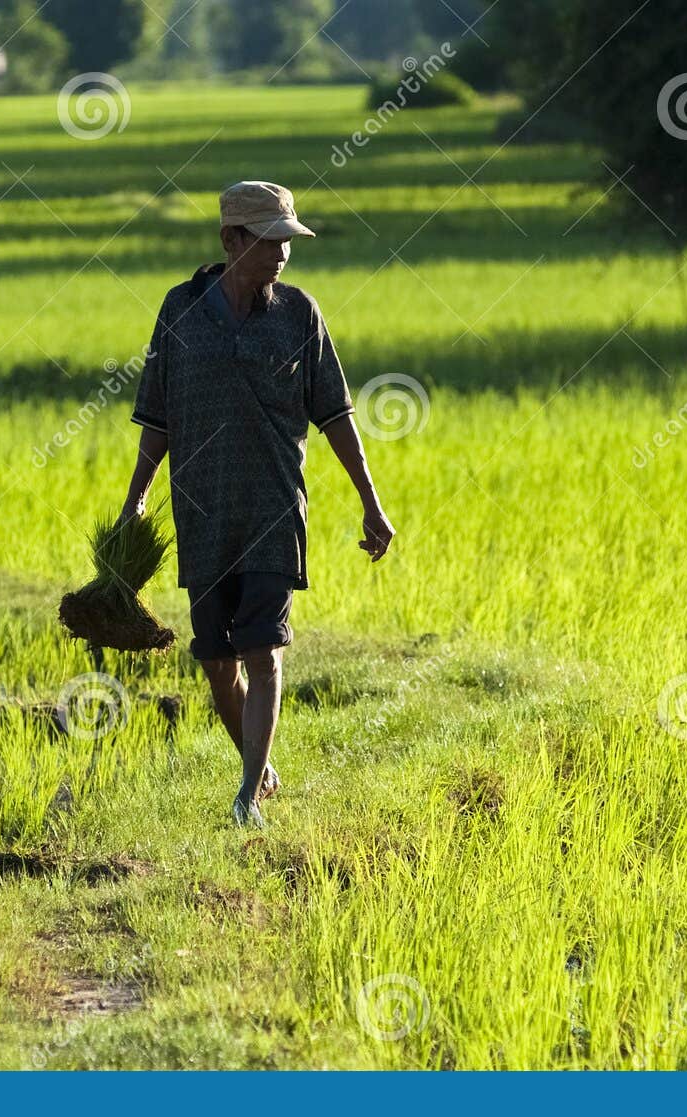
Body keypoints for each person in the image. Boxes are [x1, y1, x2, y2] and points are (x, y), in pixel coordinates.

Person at [119, 180, 395, 827]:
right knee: (217, 662)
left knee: (265, 650)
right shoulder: (179, 311)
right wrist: (135, 499)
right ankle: (257, 759)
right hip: (202, 513)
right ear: (231, 240)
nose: (281, 254)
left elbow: (336, 415)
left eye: (288, 242)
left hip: (274, 508)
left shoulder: (299, 315)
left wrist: (370, 502)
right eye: (269, 241)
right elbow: (156, 418)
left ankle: (246, 797)